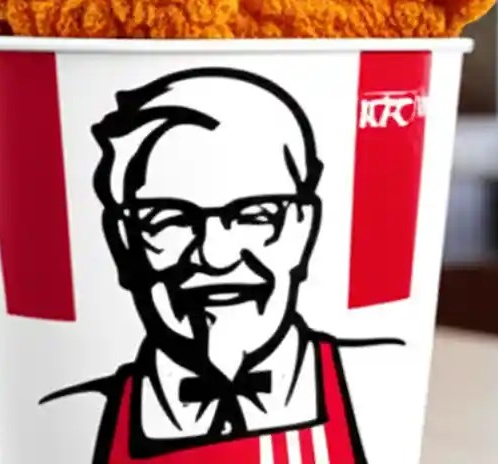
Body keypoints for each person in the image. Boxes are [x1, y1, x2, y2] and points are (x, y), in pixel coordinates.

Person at [45, 68, 391, 463]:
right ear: (124, 243)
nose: (216, 256)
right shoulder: (66, 416)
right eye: (168, 219)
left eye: (256, 215)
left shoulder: (381, 380)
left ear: (303, 229)